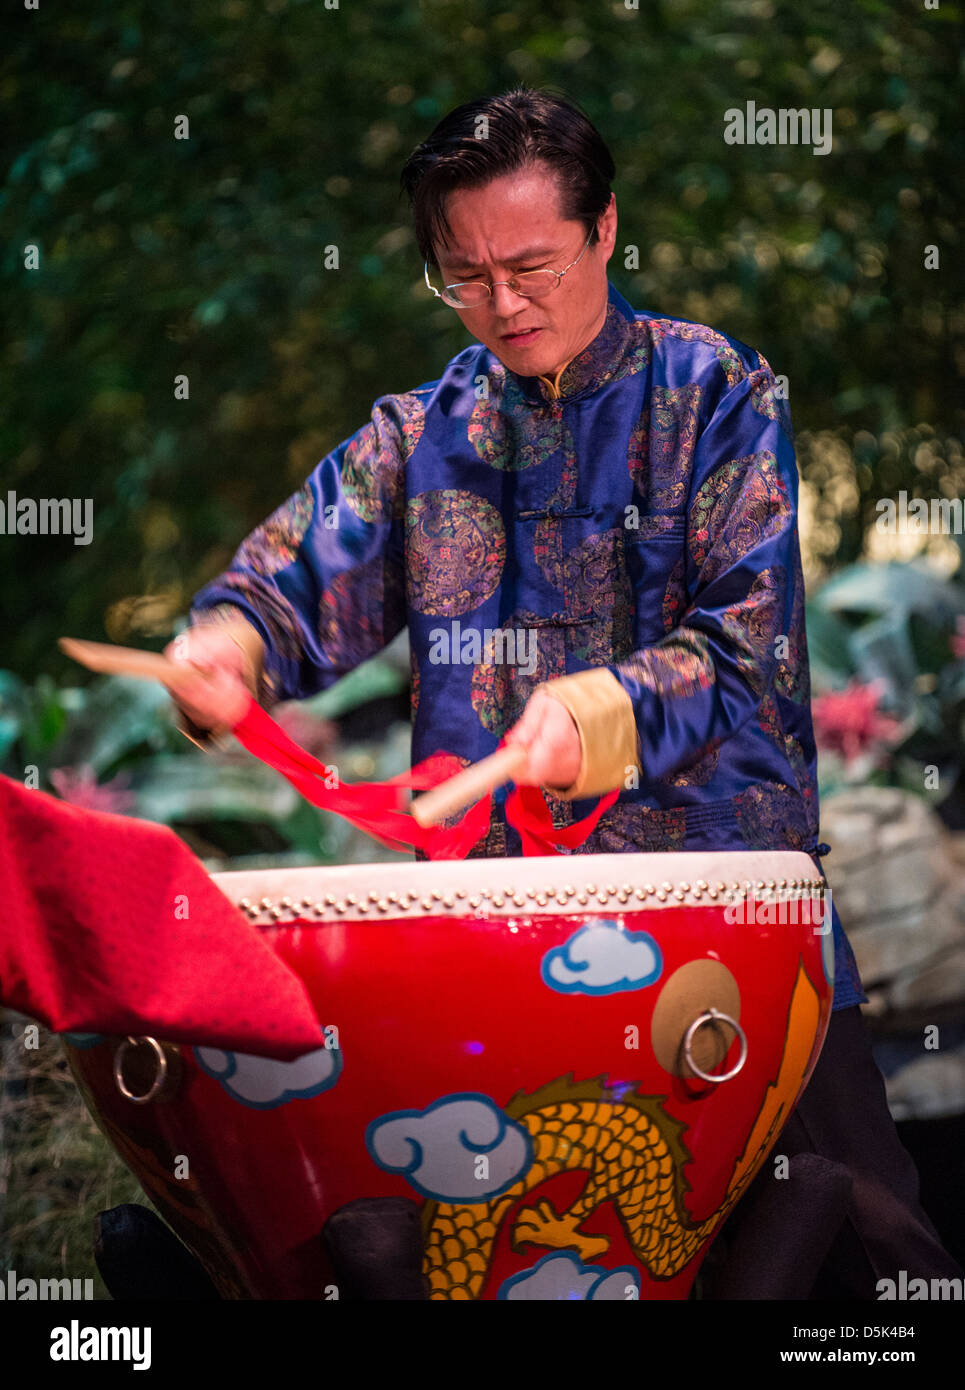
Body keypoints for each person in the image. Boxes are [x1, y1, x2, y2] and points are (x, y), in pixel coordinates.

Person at [164, 88, 962, 1297]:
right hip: (498, 947)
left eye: (530, 263)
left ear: (602, 233)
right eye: (464, 275)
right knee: (500, 1250)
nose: (503, 302)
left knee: (855, 1241)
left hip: (724, 916)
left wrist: (603, 713)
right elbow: (292, 580)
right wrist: (228, 641)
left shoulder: (714, 395)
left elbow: (747, 640)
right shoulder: (421, 436)